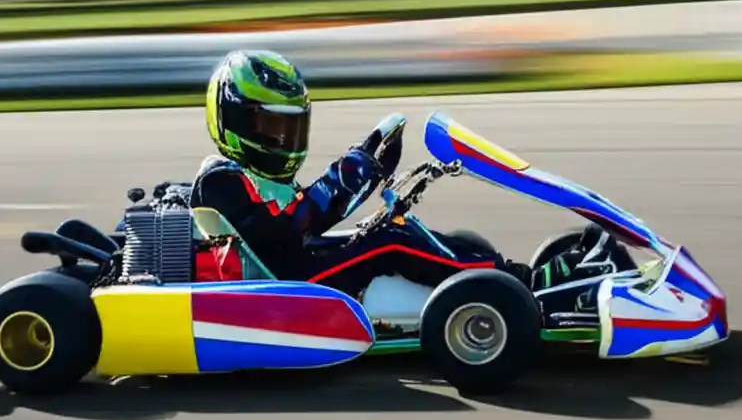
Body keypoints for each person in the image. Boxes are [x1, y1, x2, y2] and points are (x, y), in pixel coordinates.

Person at [189, 49, 535, 298]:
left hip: (292, 269)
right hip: (280, 287)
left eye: (289, 126)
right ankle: (514, 286)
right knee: (389, 245)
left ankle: (499, 271)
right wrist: (345, 177)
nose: (282, 138)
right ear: (232, 120)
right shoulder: (219, 181)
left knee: (399, 229)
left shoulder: (260, 177)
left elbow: (302, 225)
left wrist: (359, 174)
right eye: (270, 125)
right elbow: (282, 236)